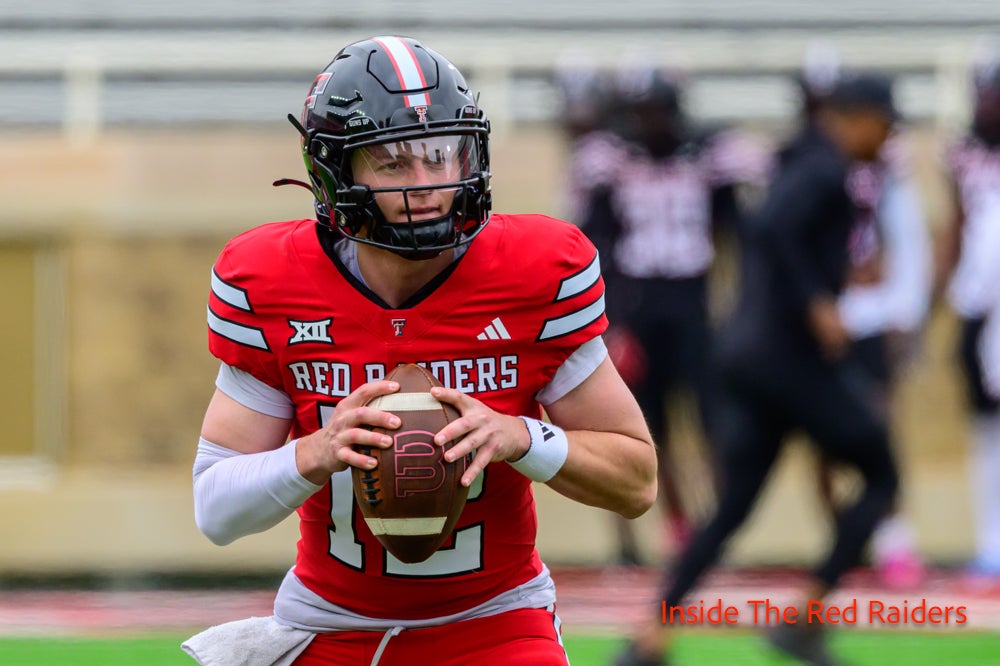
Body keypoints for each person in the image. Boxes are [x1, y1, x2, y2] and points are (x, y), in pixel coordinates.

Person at [181, 36, 657, 666]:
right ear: (334, 170)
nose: (428, 185)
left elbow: (636, 479)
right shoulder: (274, 282)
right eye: (393, 163)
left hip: (498, 620)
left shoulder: (532, 274)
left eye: (441, 155)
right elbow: (216, 510)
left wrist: (521, 437)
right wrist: (316, 452)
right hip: (329, 625)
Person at [613, 72, 900, 666]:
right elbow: (770, 229)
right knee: (882, 473)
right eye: (885, 120)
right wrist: (817, 301)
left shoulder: (800, 159)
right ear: (858, 115)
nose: (889, 134)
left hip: (748, 361)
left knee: (733, 507)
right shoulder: (824, 167)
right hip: (788, 363)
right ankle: (805, 618)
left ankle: (652, 632)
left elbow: (771, 229)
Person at [569, 62, 769, 565]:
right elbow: (596, 245)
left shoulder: (707, 155)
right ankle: (659, 534)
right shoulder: (610, 160)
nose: (653, 121)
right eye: (644, 110)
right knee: (642, 427)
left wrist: (741, 306)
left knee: (712, 425)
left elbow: (739, 233)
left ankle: (719, 531)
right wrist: (609, 321)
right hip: (637, 307)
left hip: (693, 305)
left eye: (659, 109)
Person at [935, 50, 1000, 583]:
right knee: (985, 428)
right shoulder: (964, 154)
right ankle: (991, 541)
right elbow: (960, 227)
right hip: (983, 304)